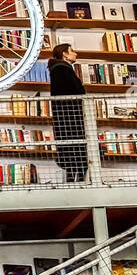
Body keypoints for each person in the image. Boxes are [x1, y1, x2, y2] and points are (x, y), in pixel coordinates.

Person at [48, 44, 88, 183]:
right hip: (71, 117)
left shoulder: (59, 69)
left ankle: (74, 181)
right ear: (64, 54)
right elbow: (76, 90)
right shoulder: (62, 69)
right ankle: (78, 182)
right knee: (78, 149)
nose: (76, 53)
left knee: (72, 151)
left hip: (66, 117)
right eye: (72, 51)